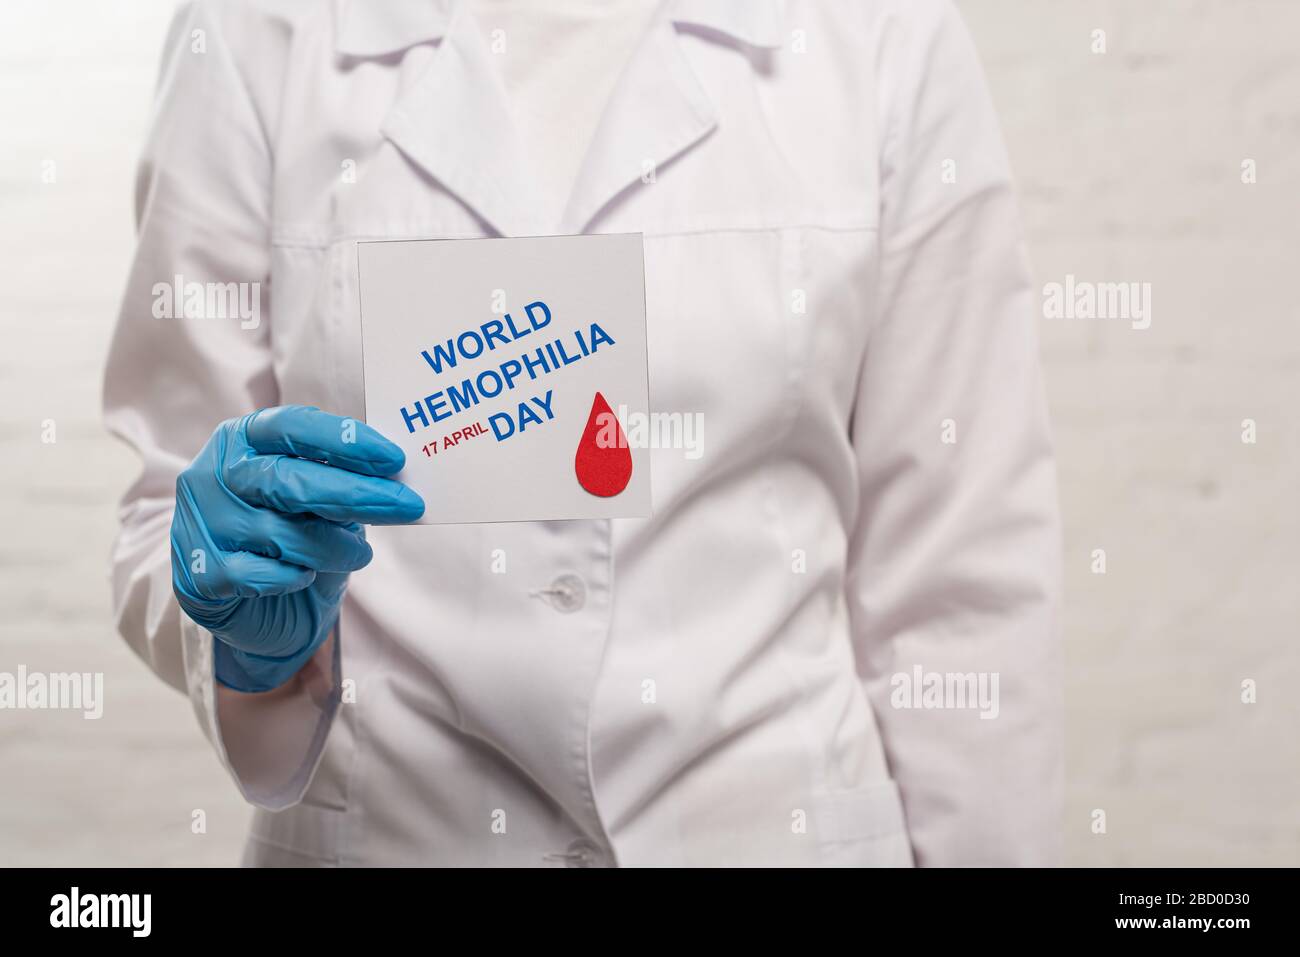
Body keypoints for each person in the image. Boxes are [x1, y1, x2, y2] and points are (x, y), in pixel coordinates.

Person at [104, 0, 1062, 867]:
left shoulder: (880, 34)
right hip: (393, 834)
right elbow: (169, 504)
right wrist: (239, 632)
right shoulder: (252, 32)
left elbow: (962, 580)